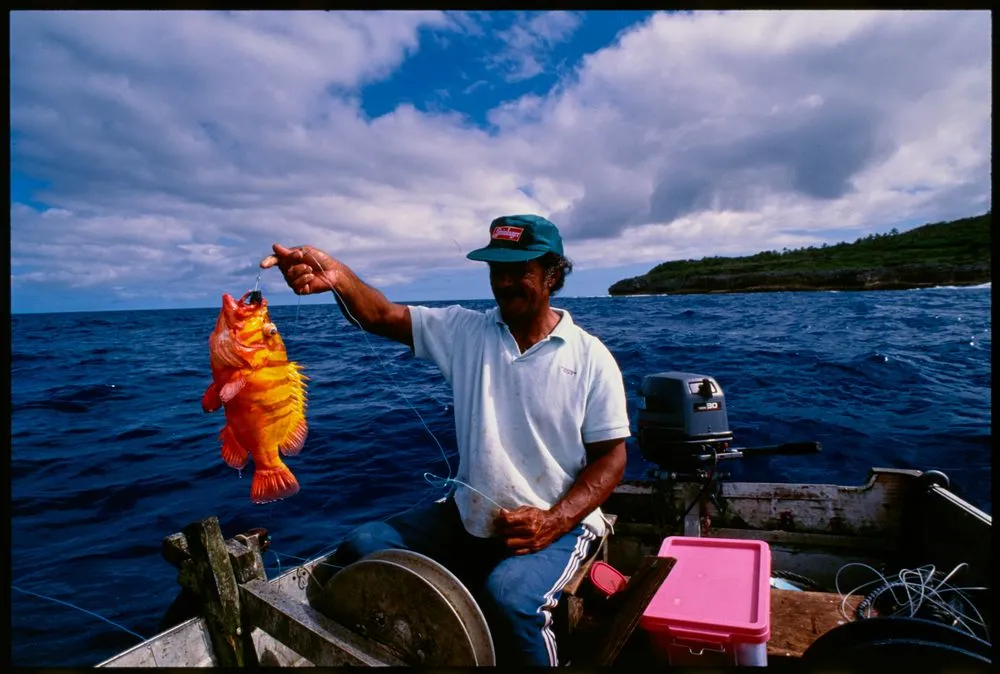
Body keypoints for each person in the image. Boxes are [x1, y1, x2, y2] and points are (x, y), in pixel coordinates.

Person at [260, 214, 630, 666]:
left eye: (520, 271)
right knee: (363, 544)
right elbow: (379, 314)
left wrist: (556, 519)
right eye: (497, 269)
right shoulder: (466, 331)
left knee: (511, 597)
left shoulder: (591, 357)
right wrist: (336, 276)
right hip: (469, 517)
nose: (505, 281)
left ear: (553, 274)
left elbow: (611, 459)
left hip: (557, 527)